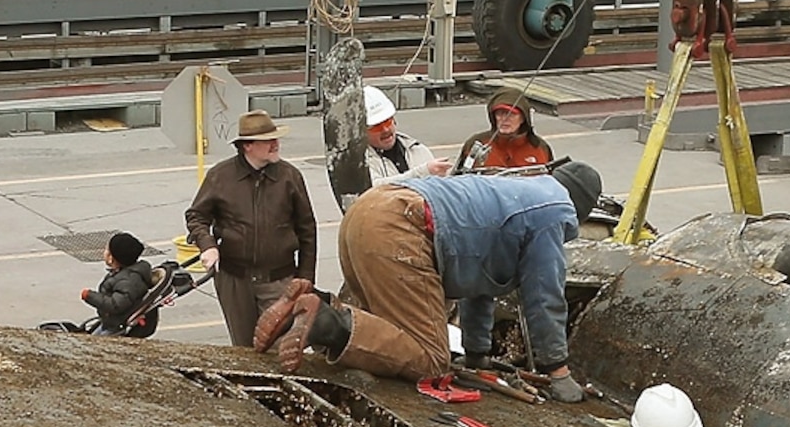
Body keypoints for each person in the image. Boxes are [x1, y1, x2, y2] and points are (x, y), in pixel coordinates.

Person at [255, 160, 601, 401]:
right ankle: (324, 321)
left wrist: (477, 355)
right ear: (581, 208)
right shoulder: (552, 212)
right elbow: (544, 298)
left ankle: (314, 304)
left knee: (386, 333)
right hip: (401, 226)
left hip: (370, 209)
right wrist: (558, 372)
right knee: (430, 359)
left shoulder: (515, 191)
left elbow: (482, 286)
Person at [185, 111, 319, 348]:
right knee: (245, 350)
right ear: (247, 146)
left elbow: (307, 230)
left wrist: (305, 278)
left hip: (279, 281)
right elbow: (196, 216)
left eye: (275, 139)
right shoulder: (220, 176)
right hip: (235, 281)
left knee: (282, 348)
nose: (276, 144)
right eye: (268, 140)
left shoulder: (290, 177)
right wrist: (208, 246)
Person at [456, 88, 555, 174]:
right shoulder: (476, 144)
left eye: (511, 114)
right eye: (499, 114)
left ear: (523, 118)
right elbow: (459, 183)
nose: (505, 119)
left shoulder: (540, 147)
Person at [83, 232, 158, 335]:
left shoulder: (128, 280)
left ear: (111, 258)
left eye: (106, 250)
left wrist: (90, 296)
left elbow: (115, 305)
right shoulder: (122, 274)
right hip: (109, 321)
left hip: (116, 325)